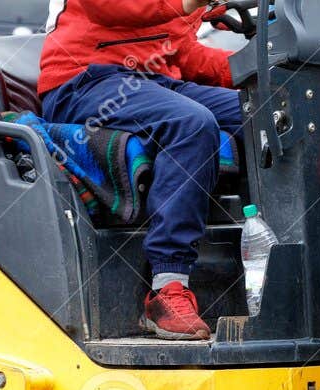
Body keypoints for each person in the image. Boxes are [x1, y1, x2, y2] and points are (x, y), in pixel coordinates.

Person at [40, 0, 240, 340]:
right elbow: (118, 8)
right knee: (191, 123)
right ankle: (167, 287)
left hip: (155, 82)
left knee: (268, 108)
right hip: (84, 82)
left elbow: (181, 50)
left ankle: (276, 277)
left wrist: (262, 66)